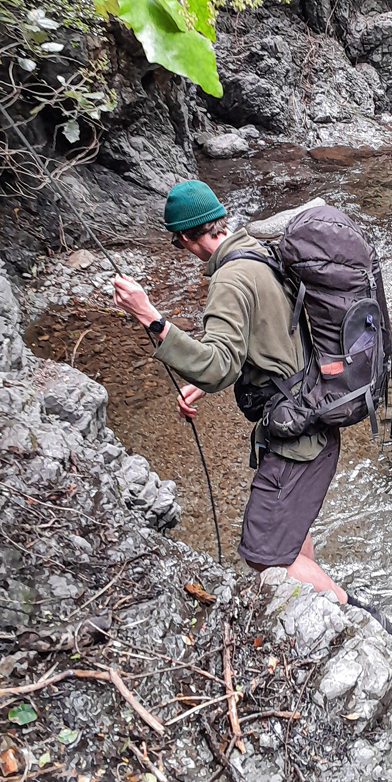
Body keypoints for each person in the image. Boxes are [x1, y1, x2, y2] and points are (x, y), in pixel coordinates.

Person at [112, 177, 348, 603]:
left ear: (187, 237)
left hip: (298, 440)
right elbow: (270, 339)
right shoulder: (259, 252)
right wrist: (202, 385)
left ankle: (352, 617)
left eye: (177, 242)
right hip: (315, 414)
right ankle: (316, 608)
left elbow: (219, 366)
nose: (181, 249)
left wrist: (150, 317)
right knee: (287, 539)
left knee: (264, 556)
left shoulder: (229, 280)